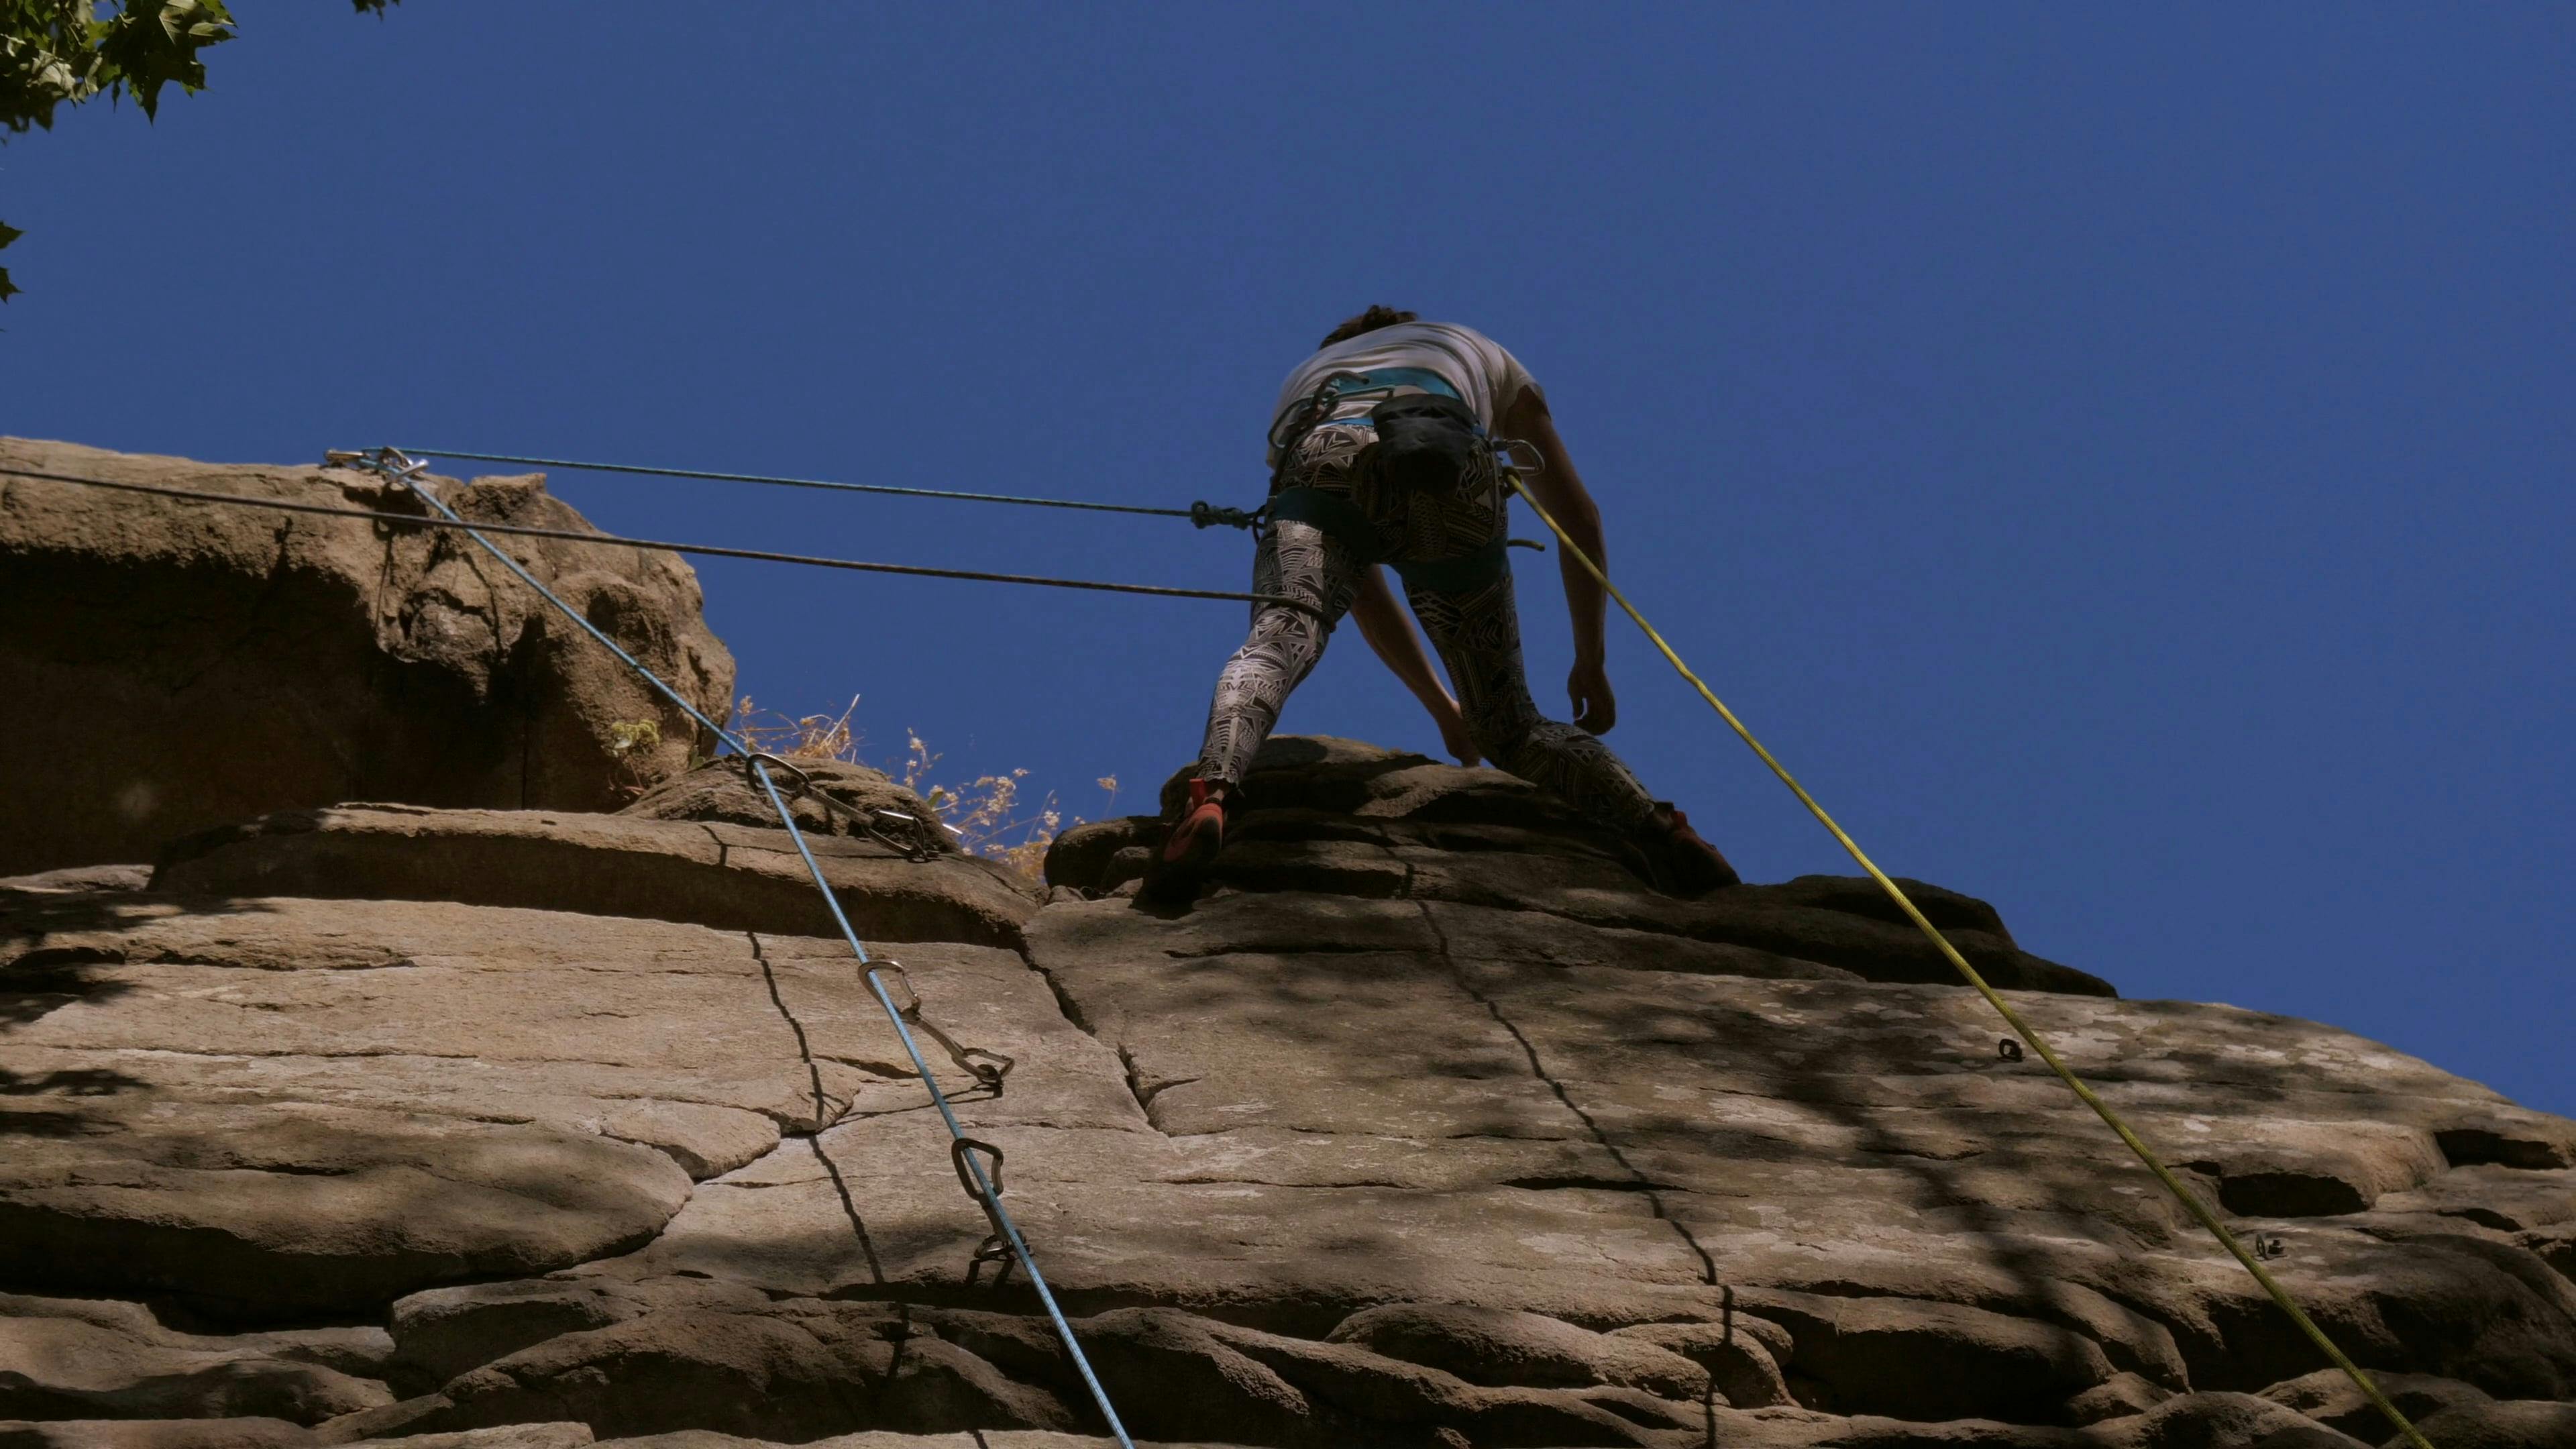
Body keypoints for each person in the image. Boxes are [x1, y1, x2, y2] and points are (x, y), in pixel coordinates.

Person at [1160, 306, 1738, 895]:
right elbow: (1579, 518)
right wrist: (1591, 659)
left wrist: (1440, 707)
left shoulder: (1307, 374)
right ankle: (1663, 831)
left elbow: (1360, 589)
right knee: (1510, 727)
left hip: (1323, 452)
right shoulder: (1471, 345)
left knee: (1279, 641)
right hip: (1452, 465)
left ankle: (1211, 798)